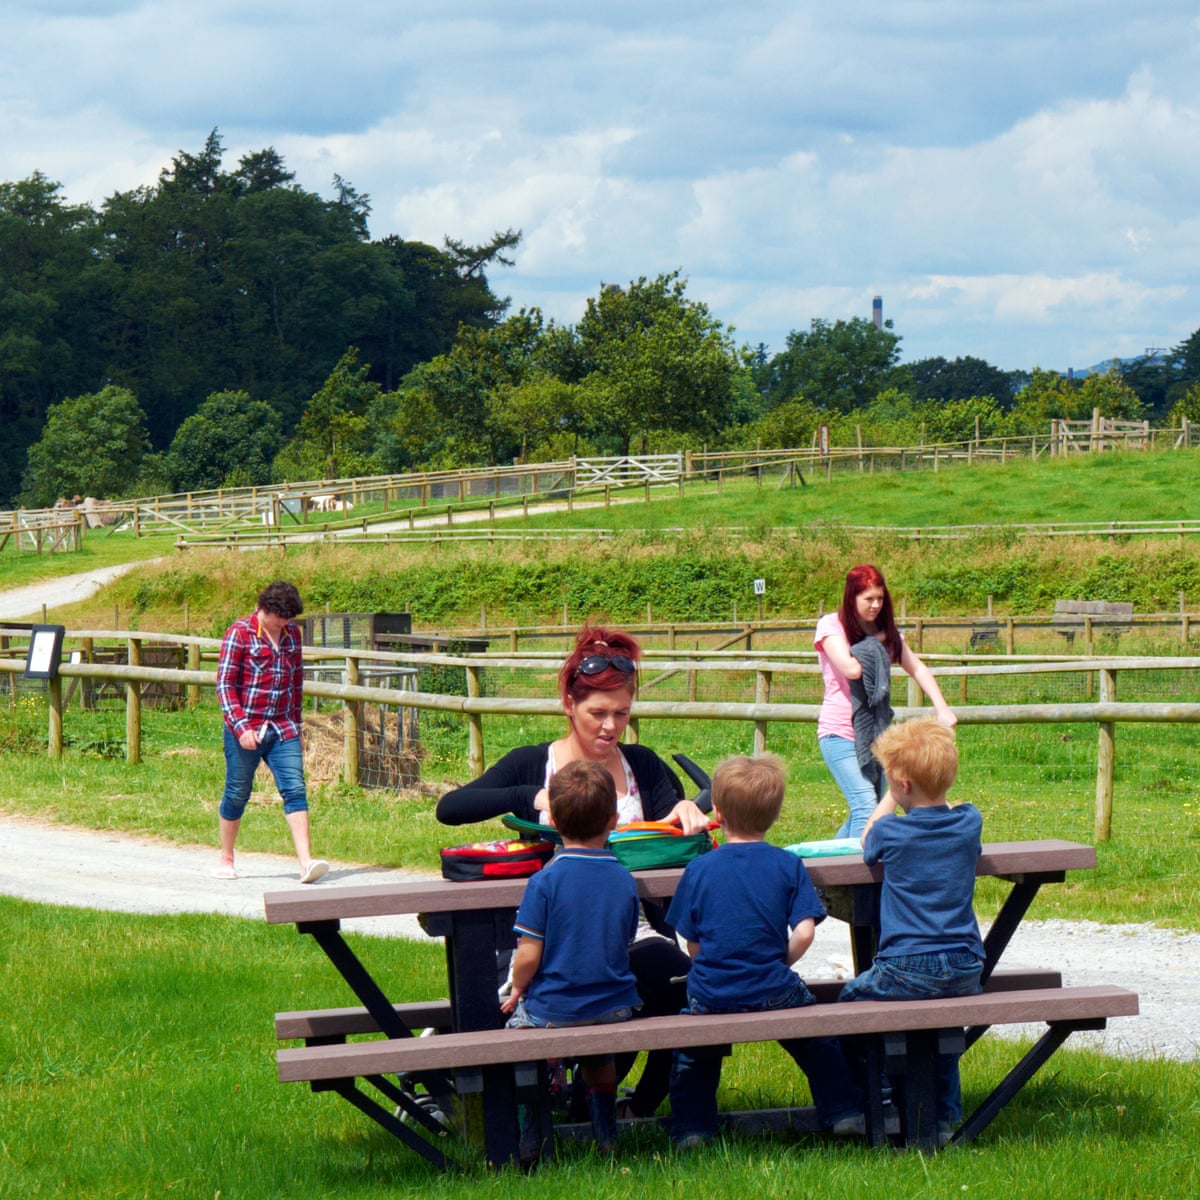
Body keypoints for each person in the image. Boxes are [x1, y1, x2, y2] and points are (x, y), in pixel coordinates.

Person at [437, 622, 710, 1118]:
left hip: (632, 930)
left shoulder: (642, 766)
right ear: (569, 704)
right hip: (541, 932)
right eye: (598, 713)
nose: (610, 726)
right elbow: (451, 807)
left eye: (622, 714)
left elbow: (675, 828)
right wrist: (530, 796)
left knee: (684, 985)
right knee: (487, 993)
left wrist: (687, 813)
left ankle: (630, 1108)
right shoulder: (531, 763)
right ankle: (477, 1093)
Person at [666, 753, 865, 1147]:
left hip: (711, 990)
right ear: (774, 815)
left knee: (692, 1055)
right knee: (817, 1041)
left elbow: (688, 939)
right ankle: (845, 1111)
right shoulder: (787, 864)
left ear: (716, 813)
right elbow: (805, 932)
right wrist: (778, 961)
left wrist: (710, 965)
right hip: (773, 986)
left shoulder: (699, 869)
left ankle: (692, 1130)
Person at [838, 718, 984, 1144]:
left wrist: (890, 797)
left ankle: (878, 1095)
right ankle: (943, 1117)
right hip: (964, 965)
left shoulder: (890, 830)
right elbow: (949, 806)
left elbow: (867, 841)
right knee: (943, 1024)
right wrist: (931, 782)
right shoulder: (968, 822)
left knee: (845, 1005)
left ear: (900, 784)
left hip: (905, 966)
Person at [501, 760, 640, 1152]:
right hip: (614, 1004)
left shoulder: (544, 880)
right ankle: (605, 1133)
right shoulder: (623, 878)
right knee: (599, 1054)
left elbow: (529, 954)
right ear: (613, 820)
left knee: (518, 1034)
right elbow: (625, 938)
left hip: (555, 1008)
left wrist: (518, 987)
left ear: (554, 820)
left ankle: (531, 1136)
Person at [815, 563, 957, 839]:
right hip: (839, 733)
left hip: (875, 736)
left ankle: (823, 873)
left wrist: (942, 707)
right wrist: (875, 642)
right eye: (868, 599)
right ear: (851, 598)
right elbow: (851, 669)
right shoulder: (831, 626)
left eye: (880, 598)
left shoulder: (887, 633)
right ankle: (854, 878)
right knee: (866, 805)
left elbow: (916, 667)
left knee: (876, 810)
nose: (875, 605)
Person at [214, 580, 328, 884]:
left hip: (283, 727)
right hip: (246, 728)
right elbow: (225, 685)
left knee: (295, 788)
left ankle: (305, 863)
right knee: (238, 792)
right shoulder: (239, 633)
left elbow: (296, 681)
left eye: (289, 619)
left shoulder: (293, 636)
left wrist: (297, 723)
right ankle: (226, 857)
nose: (284, 625)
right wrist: (241, 728)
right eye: (280, 619)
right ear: (264, 610)